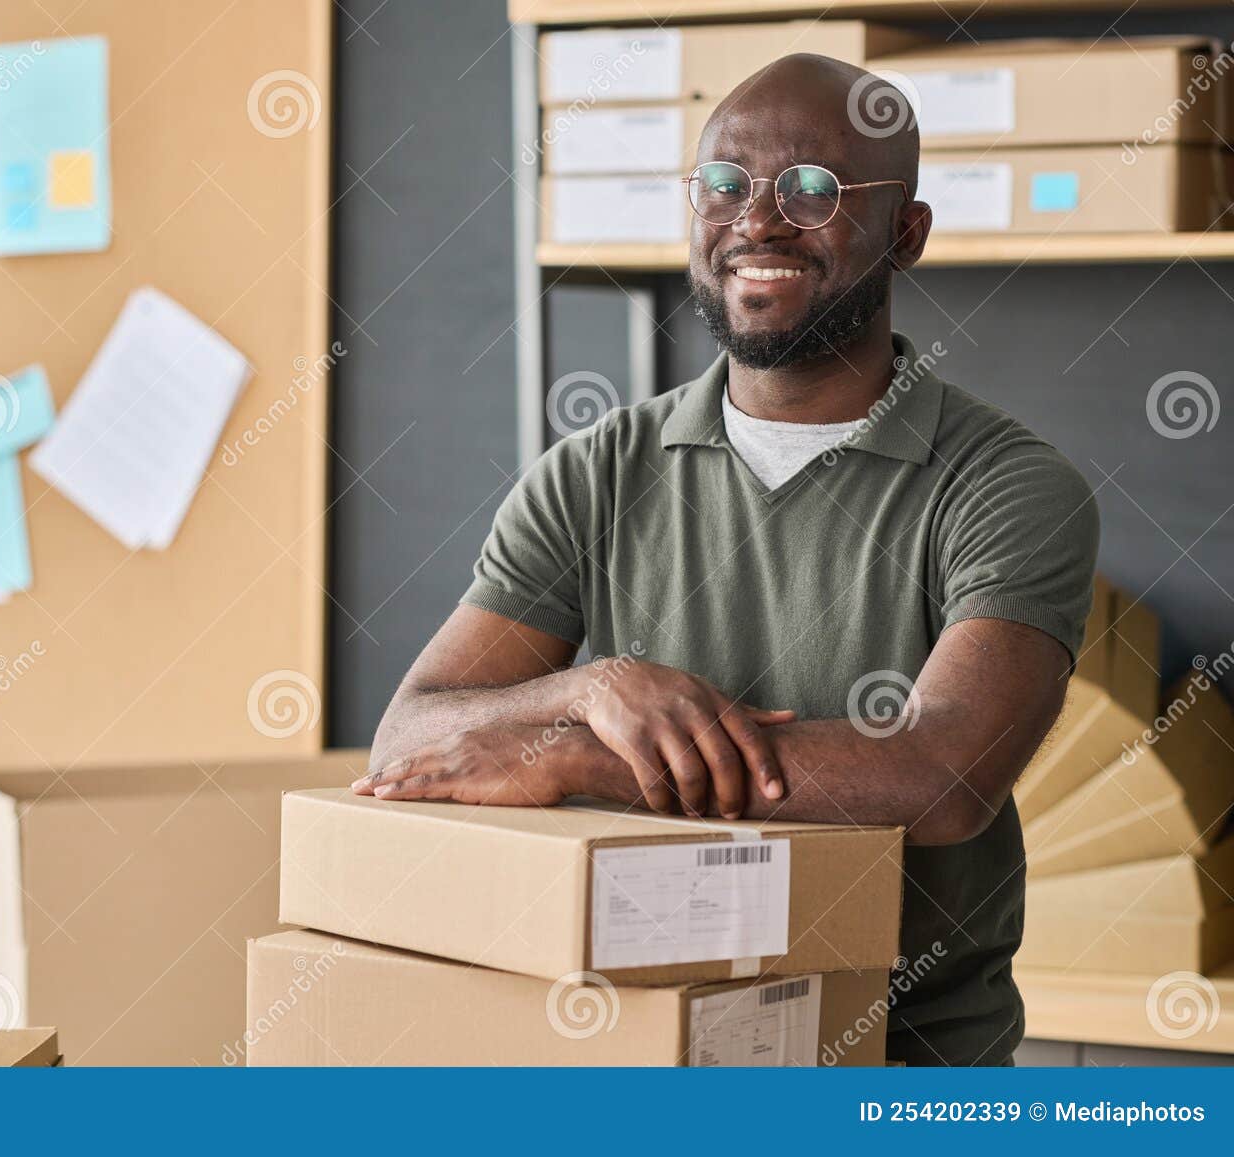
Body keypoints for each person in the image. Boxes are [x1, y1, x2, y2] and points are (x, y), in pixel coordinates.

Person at [353, 54, 1100, 1067]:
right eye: (723, 184)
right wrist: (596, 686)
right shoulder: (591, 473)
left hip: (903, 1063)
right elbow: (411, 730)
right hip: (638, 1042)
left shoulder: (1008, 486)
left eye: (812, 189)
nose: (755, 221)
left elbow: (940, 774)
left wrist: (578, 754)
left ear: (907, 235)